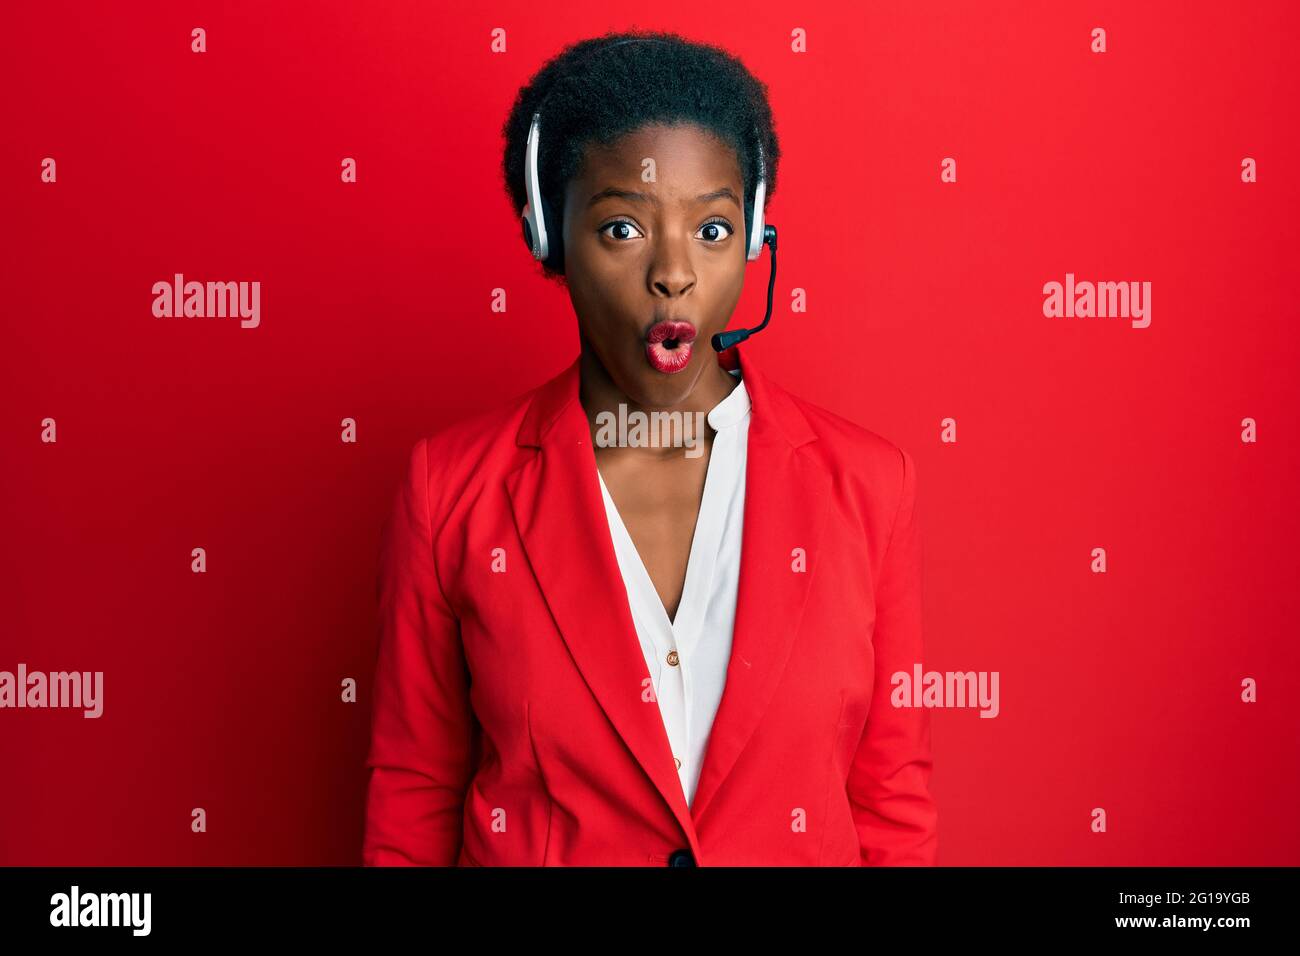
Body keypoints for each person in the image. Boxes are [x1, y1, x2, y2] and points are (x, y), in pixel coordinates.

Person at [362, 29, 937, 866]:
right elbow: (412, 799)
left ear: (752, 239)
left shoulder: (870, 487)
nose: (674, 272)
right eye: (624, 227)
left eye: (711, 229)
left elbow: (892, 807)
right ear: (547, 239)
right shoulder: (450, 492)